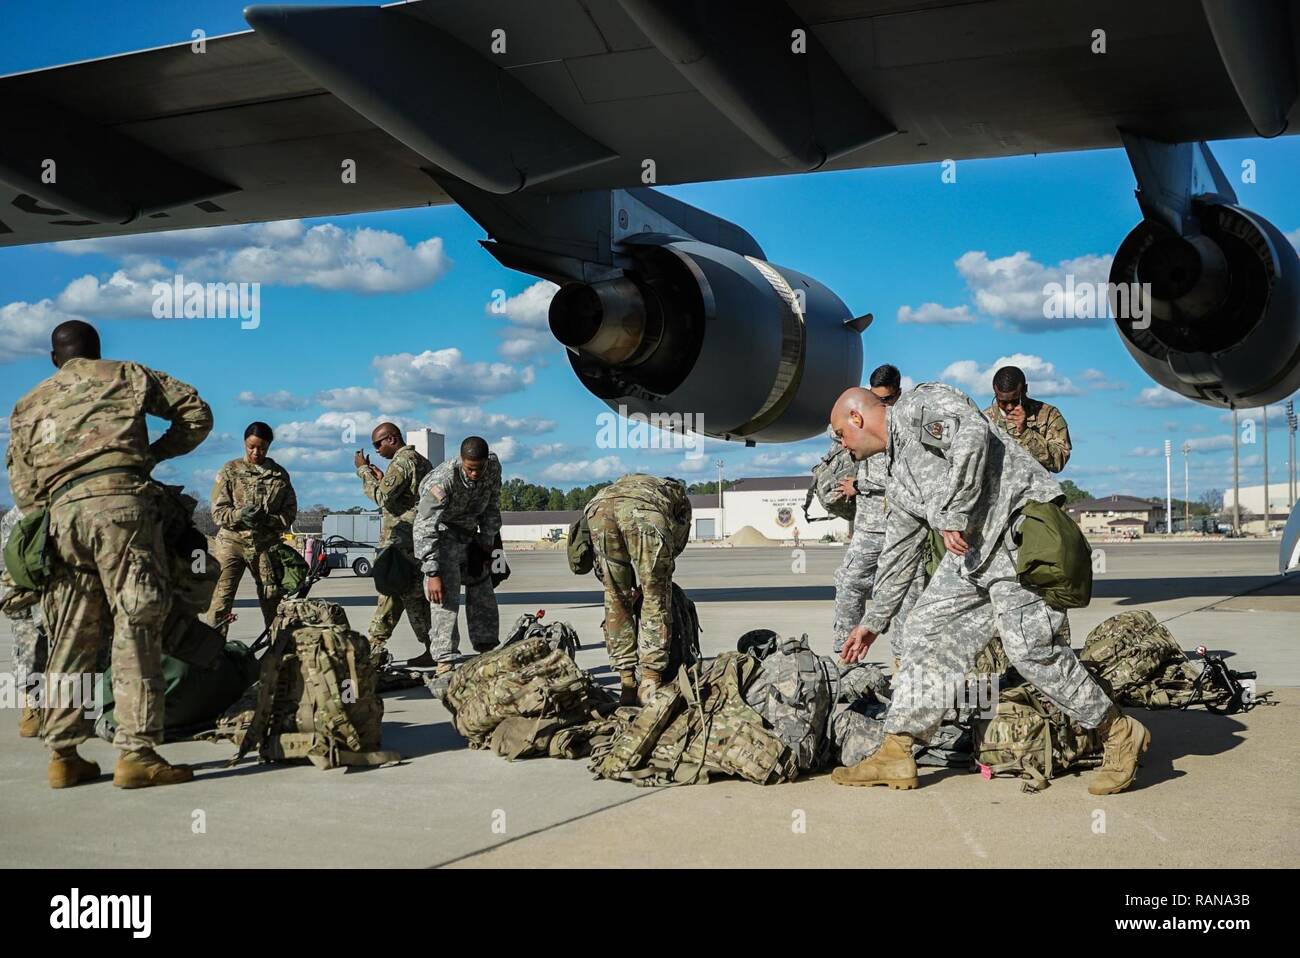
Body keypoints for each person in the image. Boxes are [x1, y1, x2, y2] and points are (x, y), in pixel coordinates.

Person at [827, 383, 1148, 794]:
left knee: (1030, 650)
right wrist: (872, 622)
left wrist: (953, 511)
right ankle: (897, 749)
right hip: (974, 555)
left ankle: (1118, 731)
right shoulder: (898, 473)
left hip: (1016, 536)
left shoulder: (918, 407)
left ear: (857, 418)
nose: (842, 446)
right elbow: (899, 552)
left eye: (840, 435)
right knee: (925, 626)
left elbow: (972, 435)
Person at [5, 320, 212, 788]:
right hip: (122, 507)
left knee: (71, 634)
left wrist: (56, 509)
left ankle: (63, 753)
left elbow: (22, 483)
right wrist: (151, 456)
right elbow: (196, 414)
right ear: (97, 350)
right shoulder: (125, 374)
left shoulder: (29, 402)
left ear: (54, 359)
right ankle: (137, 753)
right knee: (136, 623)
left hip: (61, 519)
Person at [580, 474, 691, 705]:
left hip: (598, 511)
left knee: (615, 600)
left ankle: (627, 681)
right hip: (643, 515)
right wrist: (654, 576)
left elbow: (601, 570)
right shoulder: (675, 494)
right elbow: (677, 540)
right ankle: (650, 680)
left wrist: (625, 584)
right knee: (654, 598)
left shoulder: (616, 486)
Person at [832, 364, 909, 656]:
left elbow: (907, 477)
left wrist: (861, 483)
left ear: (898, 394)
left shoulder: (906, 425)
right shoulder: (863, 417)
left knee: (905, 593)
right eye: (875, 399)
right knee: (849, 582)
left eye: (887, 400)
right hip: (870, 524)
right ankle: (845, 653)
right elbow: (838, 432)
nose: (882, 405)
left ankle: (903, 660)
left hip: (902, 526)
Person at [413, 436, 502, 675]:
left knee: (483, 592)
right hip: (443, 537)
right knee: (445, 599)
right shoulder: (442, 481)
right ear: (462, 461)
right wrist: (432, 571)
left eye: (479, 468)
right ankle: (445, 660)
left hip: (472, 537)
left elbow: (492, 504)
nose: (475, 474)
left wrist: (487, 544)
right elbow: (424, 526)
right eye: (470, 469)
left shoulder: (492, 468)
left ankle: (487, 649)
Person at [205, 422, 297, 636]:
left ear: (269, 446)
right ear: (245, 444)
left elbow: (289, 514)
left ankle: (278, 657)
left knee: (272, 602)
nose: (256, 452)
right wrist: (239, 515)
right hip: (232, 543)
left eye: (262, 447)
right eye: (251, 447)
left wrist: (268, 520)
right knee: (220, 603)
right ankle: (212, 658)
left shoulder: (279, 475)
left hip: (264, 547)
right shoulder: (229, 471)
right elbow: (218, 514)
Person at [355, 423, 433, 665]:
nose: (376, 449)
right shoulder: (421, 461)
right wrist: (382, 478)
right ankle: (433, 648)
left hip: (400, 540)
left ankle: (374, 648)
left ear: (392, 439)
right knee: (413, 596)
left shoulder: (401, 463)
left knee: (390, 591)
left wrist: (363, 471)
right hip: (417, 539)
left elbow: (382, 497)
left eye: (378, 444)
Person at [1, 506, 49, 739]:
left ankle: (46, 707)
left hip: (40, 591)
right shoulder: (19, 514)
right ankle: (32, 706)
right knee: (29, 646)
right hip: (27, 592)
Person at [982, 365, 1072, 472]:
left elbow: (1058, 462)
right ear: (995, 394)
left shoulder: (1049, 415)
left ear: (1025, 389)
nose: (1010, 407)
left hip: (1035, 486)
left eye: (1015, 400)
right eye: (1003, 402)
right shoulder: (984, 420)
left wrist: (1026, 433)